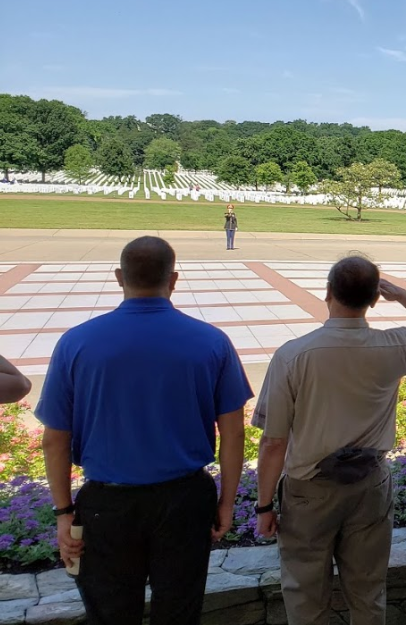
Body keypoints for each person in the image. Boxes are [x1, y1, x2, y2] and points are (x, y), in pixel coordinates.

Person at [34, 236, 252, 624]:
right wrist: (227, 502)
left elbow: (55, 440)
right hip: (185, 501)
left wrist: (64, 512)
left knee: (112, 614)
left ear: (119, 277)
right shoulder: (212, 342)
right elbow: (233, 433)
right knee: (179, 612)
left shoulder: (76, 343)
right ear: (174, 279)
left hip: (107, 507)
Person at [252, 256, 406, 625]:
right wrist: (404, 296)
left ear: (327, 293)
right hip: (369, 485)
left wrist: (264, 507)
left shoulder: (294, 355)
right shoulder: (395, 347)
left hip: (309, 490)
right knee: (368, 592)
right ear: (375, 299)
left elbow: (273, 442)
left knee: (306, 596)